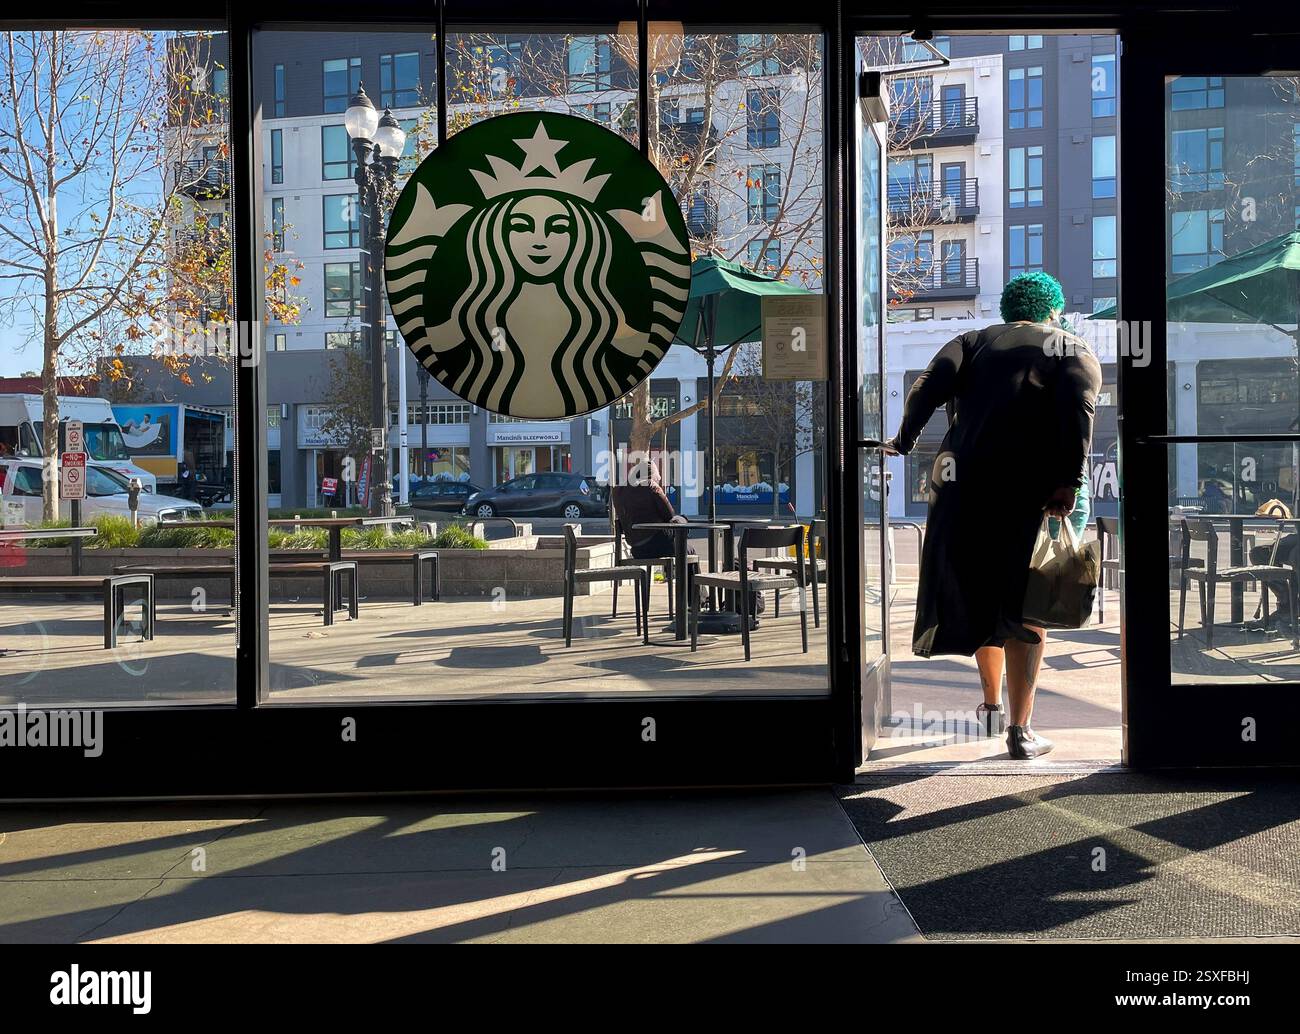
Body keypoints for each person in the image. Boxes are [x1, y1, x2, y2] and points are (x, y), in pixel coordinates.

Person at [885, 272, 1101, 759]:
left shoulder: (970, 342)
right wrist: (1070, 481)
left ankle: (990, 707)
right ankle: (1021, 731)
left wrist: (904, 440)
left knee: (984, 598)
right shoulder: (1068, 347)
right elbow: (1079, 413)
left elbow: (924, 390)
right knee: (1030, 602)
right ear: (1053, 309)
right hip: (1032, 494)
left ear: (1008, 309)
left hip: (964, 491)